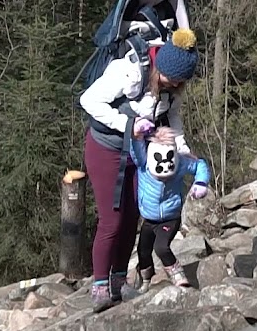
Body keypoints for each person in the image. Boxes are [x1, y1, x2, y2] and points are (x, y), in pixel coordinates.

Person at [79, 27, 200, 312]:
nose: (175, 86)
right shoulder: (130, 72)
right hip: (105, 148)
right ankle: (99, 287)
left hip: (139, 151)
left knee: (134, 216)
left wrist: (182, 149)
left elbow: (171, 118)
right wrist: (128, 125)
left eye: (181, 82)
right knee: (112, 219)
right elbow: (88, 101)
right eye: (172, 79)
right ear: (161, 68)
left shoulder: (171, 88)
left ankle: (119, 285)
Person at [127, 126, 211, 290]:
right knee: (143, 251)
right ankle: (145, 280)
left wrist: (201, 182)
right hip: (149, 219)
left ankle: (179, 277)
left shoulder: (180, 163)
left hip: (171, 217)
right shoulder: (143, 164)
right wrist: (136, 135)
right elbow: (136, 148)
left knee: (161, 247)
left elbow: (199, 165)